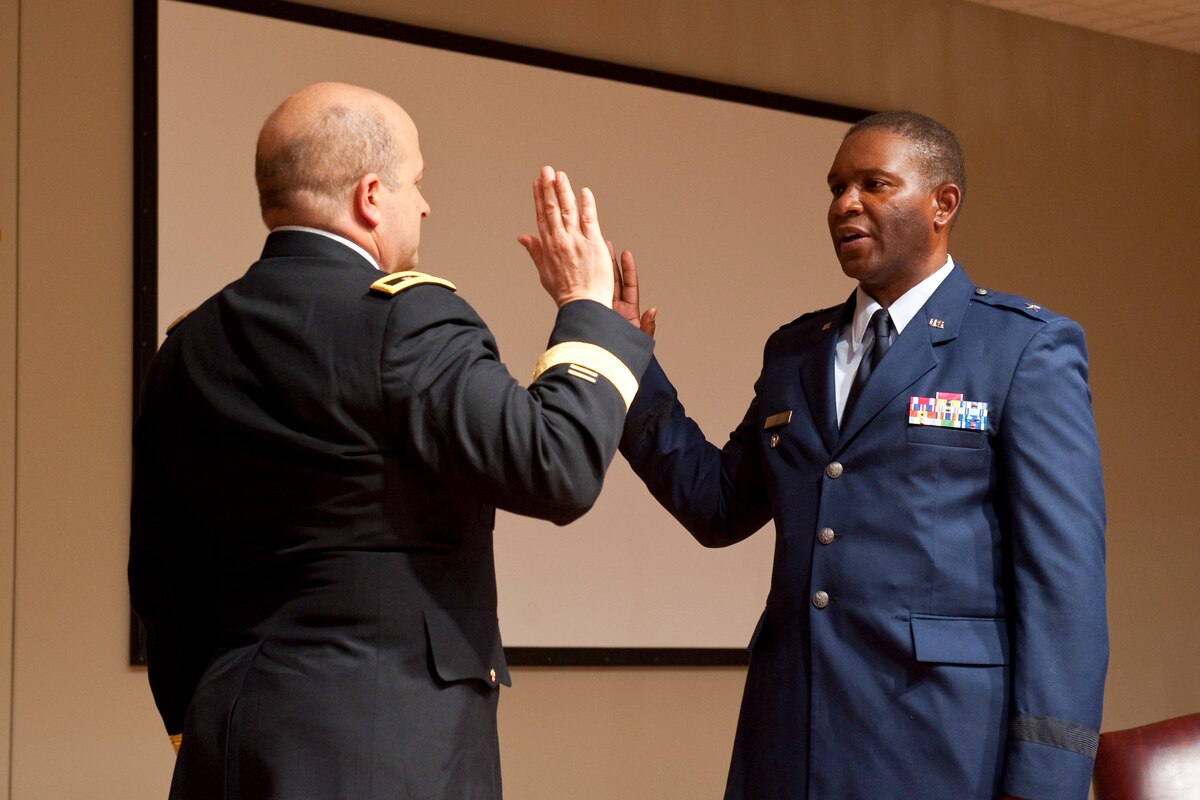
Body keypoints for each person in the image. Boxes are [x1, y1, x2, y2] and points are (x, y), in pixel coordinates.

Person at [128, 81, 653, 800]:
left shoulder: (188, 347)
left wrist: (204, 718)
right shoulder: (406, 319)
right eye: (418, 182)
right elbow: (554, 466)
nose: (426, 204)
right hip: (388, 748)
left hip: (229, 743)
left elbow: (160, 573)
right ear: (372, 196)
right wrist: (586, 310)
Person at [616, 111, 1106, 799]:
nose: (846, 203)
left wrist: (1046, 784)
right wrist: (625, 367)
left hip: (943, 754)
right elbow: (718, 504)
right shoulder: (796, 352)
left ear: (944, 204)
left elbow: (1065, 587)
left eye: (874, 184)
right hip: (790, 748)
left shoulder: (1021, 350)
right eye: (837, 186)